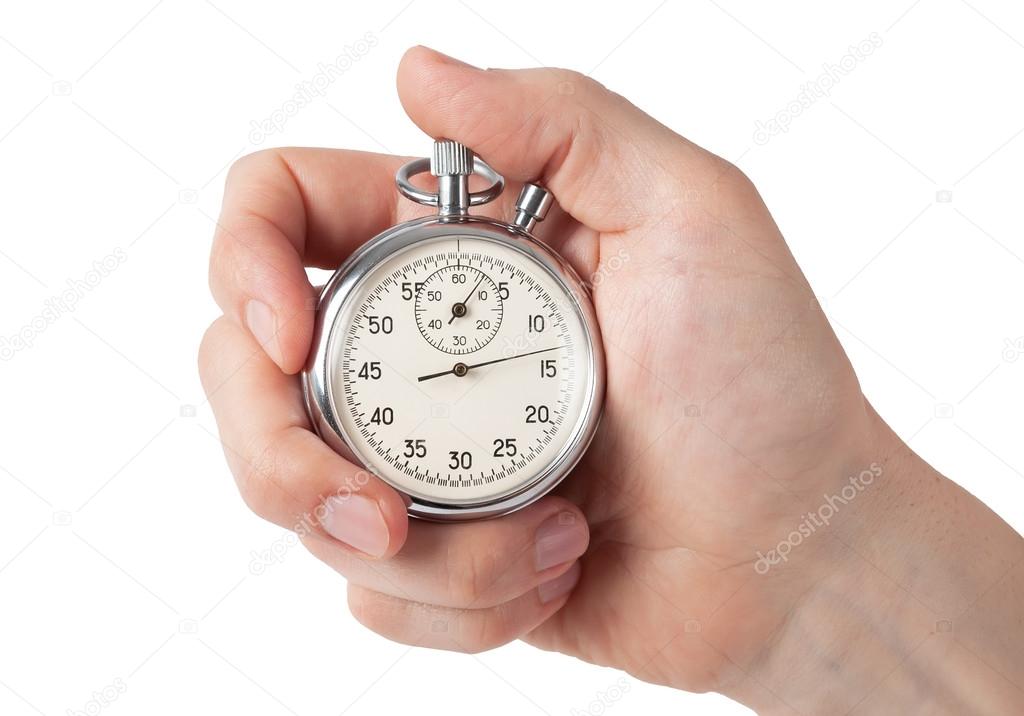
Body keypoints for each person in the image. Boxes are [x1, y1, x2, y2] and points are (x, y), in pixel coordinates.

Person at [199, 46, 1024, 713]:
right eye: (445, 359)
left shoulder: (570, 286)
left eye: (476, 349)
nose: (460, 360)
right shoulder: (401, 298)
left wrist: (817, 548)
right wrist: (800, 587)